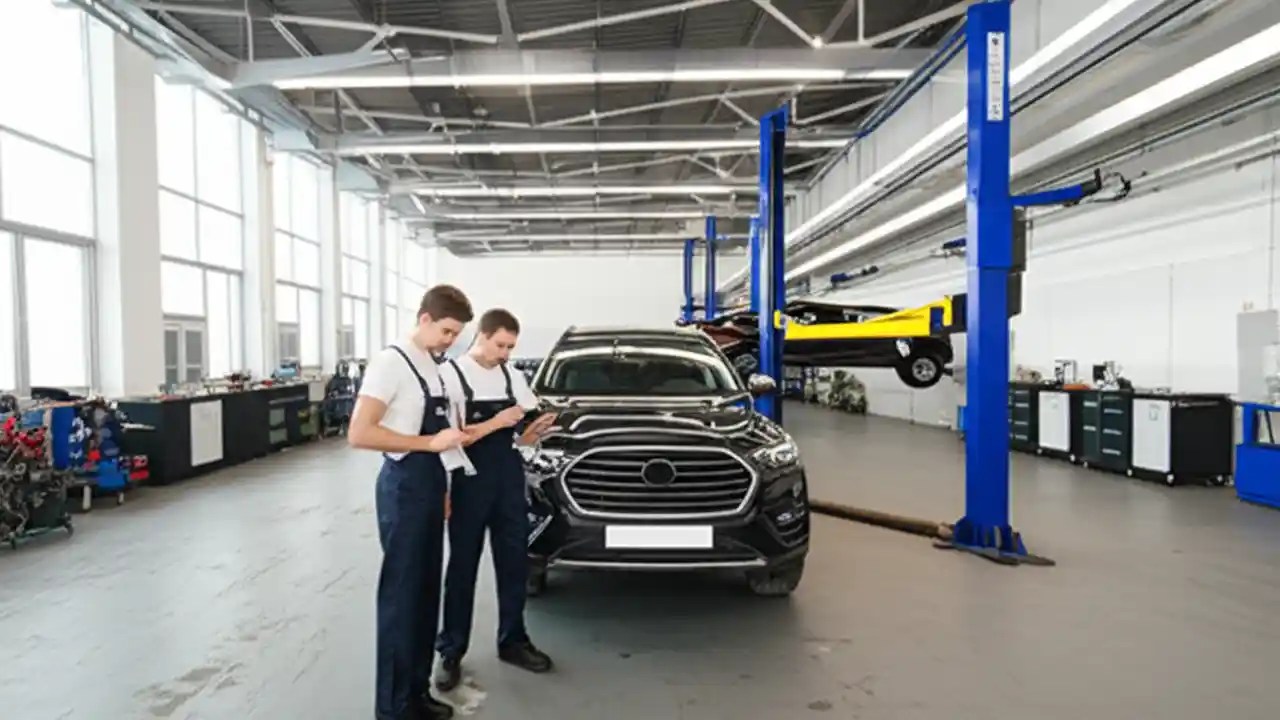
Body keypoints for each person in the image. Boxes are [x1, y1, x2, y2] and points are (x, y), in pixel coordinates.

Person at [349, 285, 475, 720]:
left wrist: (443, 490)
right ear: (424, 319)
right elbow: (359, 433)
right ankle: (392, 708)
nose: (450, 341)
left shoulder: (432, 365)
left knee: (424, 596)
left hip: (430, 484)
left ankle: (415, 693)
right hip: (404, 486)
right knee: (401, 599)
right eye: (446, 331)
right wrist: (427, 444)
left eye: (456, 334)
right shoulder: (391, 363)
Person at [434, 308, 557, 692]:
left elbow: (520, 434)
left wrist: (533, 432)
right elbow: (451, 438)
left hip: (508, 479)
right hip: (468, 481)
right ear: (482, 336)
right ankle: (451, 650)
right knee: (462, 567)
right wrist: (497, 422)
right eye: (501, 345)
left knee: (514, 562)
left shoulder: (512, 376)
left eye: (511, 347)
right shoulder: (450, 376)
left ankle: (513, 640)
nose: (505, 353)